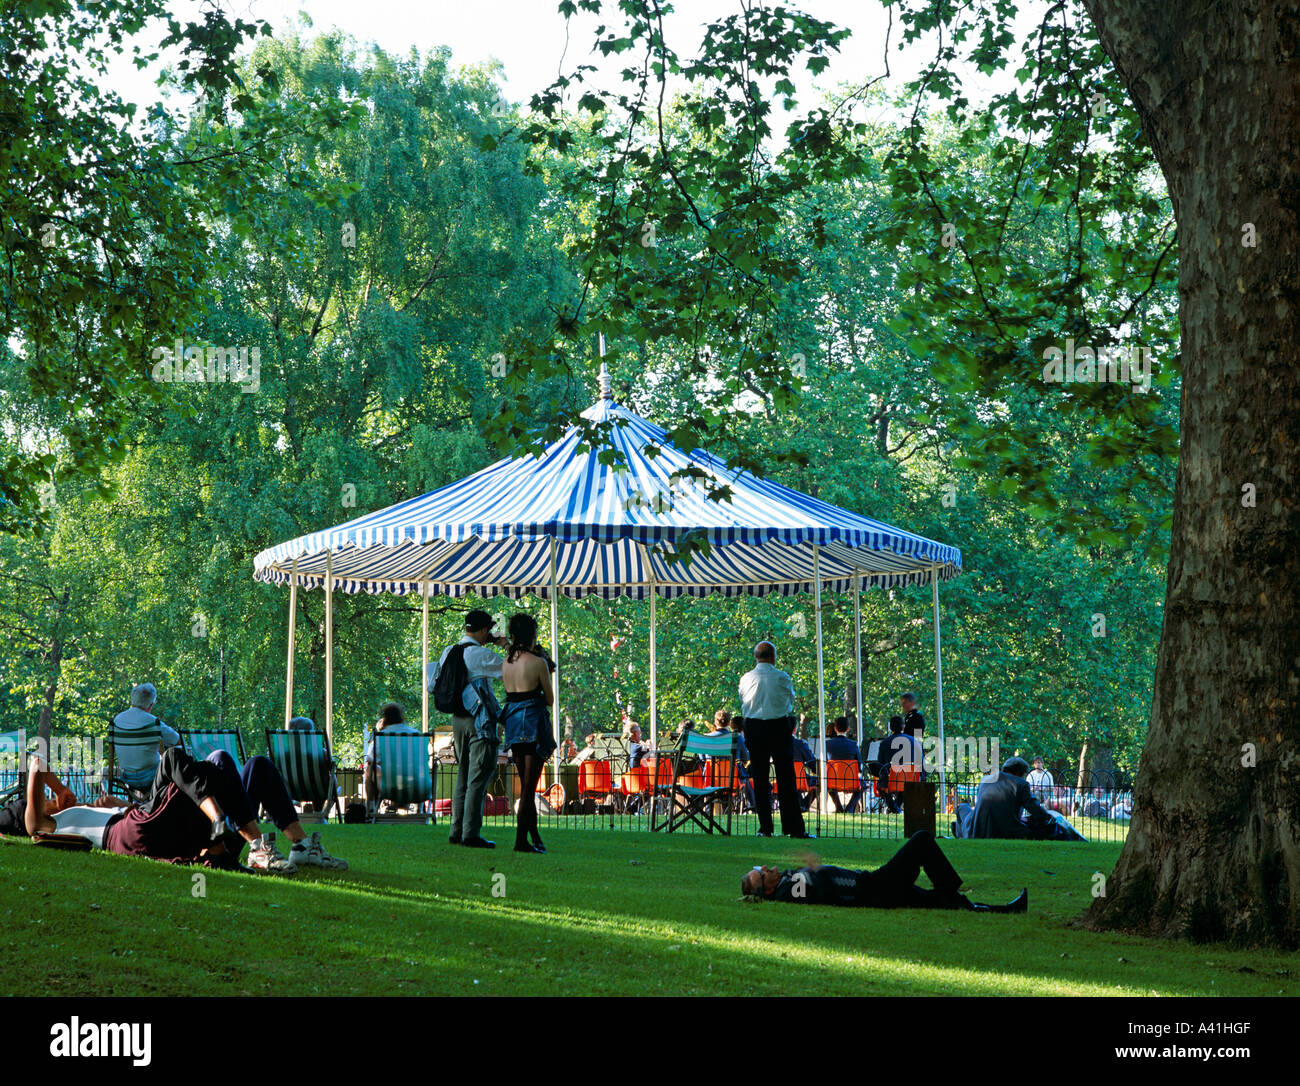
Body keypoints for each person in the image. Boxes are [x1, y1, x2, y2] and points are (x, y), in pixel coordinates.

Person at [6, 749, 347, 873]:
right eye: (49, 801)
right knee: (171, 759)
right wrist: (59, 789)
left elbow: (142, 813)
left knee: (247, 765)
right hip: (137, 833)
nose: (59, 799)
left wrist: (122, 804)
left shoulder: (83, 815)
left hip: (154, 825)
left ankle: (301, 847)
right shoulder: (46, 826)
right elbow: (35, 763)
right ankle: (256, 846)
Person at [741, 830, 1027, 912]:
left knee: (937, 902)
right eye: (761, 873)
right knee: (922, 841)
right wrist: (813, 869)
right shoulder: (786, 890)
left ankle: (998, 910)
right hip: (874, 888)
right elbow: (816, 891)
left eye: (759, 868)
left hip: (875, 888)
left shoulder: (785, 882)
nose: (764, 868)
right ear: (766, 888)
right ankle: (952, 890)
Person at [433, 610, 508, 849]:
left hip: (457, 720)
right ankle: (471, 833)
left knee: (463, 775)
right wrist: (505, 645)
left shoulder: (449, 651)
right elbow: (510, 671)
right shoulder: (481, 655)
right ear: (485, 630)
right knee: (479, 775)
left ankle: (456, 830)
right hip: (479, 720)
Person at [737, 640, 811, 839]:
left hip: (754, 726)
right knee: (786, 778)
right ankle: (794, 828)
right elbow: (789, 701)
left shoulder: (745, 678)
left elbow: (743, 698)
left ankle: (765, 828)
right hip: (778, 726)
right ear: (773, 656)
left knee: (760, 778)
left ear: (756, 656)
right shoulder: (782, 677)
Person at [500, 613, 556, 854]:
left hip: (513, 724)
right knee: (528, 789)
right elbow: (550, 699)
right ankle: (521, 840)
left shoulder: (507, 662)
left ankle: (533, 836)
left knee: (526, 785)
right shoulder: (537, 663)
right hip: (532, 725)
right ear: (532, 635)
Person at [954, 756, 1057, 839]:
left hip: (976, 830)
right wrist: (1050, 818)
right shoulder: (1021, 784)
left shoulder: (985, 780)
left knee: (962, 808)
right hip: (1005, 831)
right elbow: (1036, 810)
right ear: (1019, 773)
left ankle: (963, 836)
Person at [111, 683, 182, 790]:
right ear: (151, 704)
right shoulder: (153, 722)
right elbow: (179, 741)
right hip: (152, 777)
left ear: (132, 700)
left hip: (126, 776)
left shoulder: (117, 720)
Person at [363, 702, 420, 816]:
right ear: (401, 717)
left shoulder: (381, 737)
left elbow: (369, 760)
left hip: (389, 787)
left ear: (386, 718)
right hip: (416, 786)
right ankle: (418, 809)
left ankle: (370, 808)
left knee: (369, 768)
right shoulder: (416, 734)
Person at [877, 715, 922, 814]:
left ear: (890, 727)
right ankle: (895, 808)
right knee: (903, 786)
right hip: (911, 781)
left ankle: (893, 808)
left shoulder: (884, 743)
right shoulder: (914, 741)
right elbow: (921, 762)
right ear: (903, 727)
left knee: (881, 786)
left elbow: (880, 765)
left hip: (891, 782)